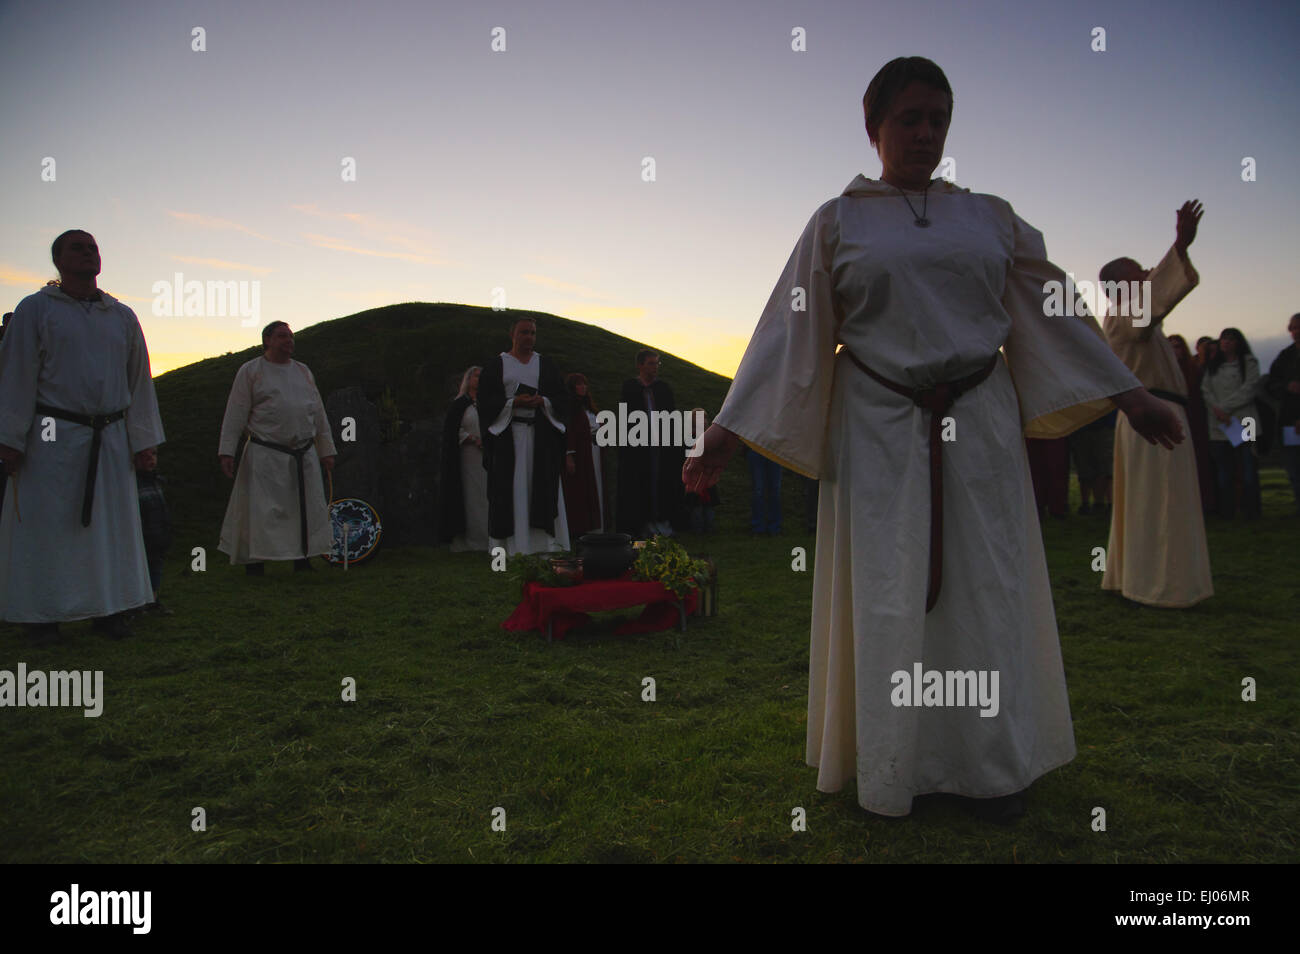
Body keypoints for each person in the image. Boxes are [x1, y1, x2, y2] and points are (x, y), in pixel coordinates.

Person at [683, 57, 1183, 820]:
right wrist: (726, 430)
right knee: (888, 596)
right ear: (873, 125)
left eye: (938, 119)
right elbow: (791, 329)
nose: (924, 132)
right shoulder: (838, 220)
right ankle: (894, 771)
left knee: (986, 591)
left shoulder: (989, 216)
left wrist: (1133, 393)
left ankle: (989, 770)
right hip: (878, 427)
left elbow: (1054, 311)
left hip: (979, 425)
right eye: (909, 117)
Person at [0, 230, 165, 640]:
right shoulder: (35, 310)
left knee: (110, 529)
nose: (89, 253)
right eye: (78, 247)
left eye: (93, 247)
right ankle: (42, 616)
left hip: (109, 437)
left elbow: (138, 381)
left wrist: (143, 440)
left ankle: (110, 610)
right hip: (51, 437)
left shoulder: (122, 316)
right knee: (48, 525)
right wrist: (10, 437)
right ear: (57, 260)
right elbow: (17, 375)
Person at [1100, 200, 1213, 607]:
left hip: (1145, 418)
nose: (1149, 273)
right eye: (1140, 272)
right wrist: (1179, 247)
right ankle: (1163, 586)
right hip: (1152, 418)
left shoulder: (1132, 320)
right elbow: (1153, 303)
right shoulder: (1125, 316)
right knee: (1163, 500)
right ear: (1122, 287)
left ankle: (1138, 578)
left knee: (1150, 500)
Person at [218, 322, 336, 572]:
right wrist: (227, 451)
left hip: (303, 453)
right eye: (282, 336)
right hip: (265, 454)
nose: (289, 341)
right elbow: (236, 412)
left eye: (291, 337)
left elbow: (317, 412)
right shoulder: (251, 371)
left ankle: (303, 558)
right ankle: (255, 563)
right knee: (261, 511)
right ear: (267, 340)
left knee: (304, 508)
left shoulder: (303, 372)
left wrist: (326, 450)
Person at [477, 317, 569, 555]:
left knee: (542, 487)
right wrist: (512, 402)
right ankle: (513, 547)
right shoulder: (497, 365)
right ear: (513, 335)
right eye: (524, 332)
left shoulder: (546, 364)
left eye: (533, 333)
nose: (529, 337)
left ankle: (544, 545)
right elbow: (485, 402)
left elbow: (562, 398)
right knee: (511, 489)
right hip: (509, 437)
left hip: (540, 438)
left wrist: (544, 401)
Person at [617, 350, 682, 538]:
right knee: (639, 483)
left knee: (661, 482)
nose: (655, 368)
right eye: (651, 363)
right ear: (640, 365)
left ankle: (661, 522)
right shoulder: (630, 387)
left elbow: (671, 416)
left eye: (657, 364)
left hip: (661, 446)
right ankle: (641, 524)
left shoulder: (663, 389)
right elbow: (626, 417)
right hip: (638, 447)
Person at [1201, 327, 1261, 519]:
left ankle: (1251, 511)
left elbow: (1250, 389)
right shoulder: (1213, 366)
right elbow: (1205, 390)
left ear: (1238, 342)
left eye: (1231, 339)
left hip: (1244, 421)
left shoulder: (1249, 363)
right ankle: (1227, 512)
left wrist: (1225, 408)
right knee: (1224, 472)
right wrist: (1217, 410)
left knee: (1248, 469)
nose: (1226, 343)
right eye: (1223, 339)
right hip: (1219, 424)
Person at [439, 366, 489, 551]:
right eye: (476, 376)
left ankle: (487, 538)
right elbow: (452, 430)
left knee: (486, 496)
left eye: (482, 377)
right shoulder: (459, 404)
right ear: (469, 379)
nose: (479, 379)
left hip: (486, 456)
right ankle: (468, 541)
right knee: (469, 496)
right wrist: (471, 438)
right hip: (467, 457)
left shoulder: (487, 402)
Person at [561, 372, 605, 539]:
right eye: (579, 384)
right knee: (581, 488)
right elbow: (569, 431)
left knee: (595, 486)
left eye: (584, 384)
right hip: (580, 452)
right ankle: (580, 528)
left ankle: (595, 525)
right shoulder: (571, 407)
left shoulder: (588, 407)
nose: (583, 387)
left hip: (593, 449)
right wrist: (569, 454)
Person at [1266, 314, 1300, 514]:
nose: (1296, 332)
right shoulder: (1284, 356)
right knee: (1294, 470)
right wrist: (1286, 386)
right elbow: (1271, 383)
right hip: (1288, 423)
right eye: (1294, 328)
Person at [135, 446, 172, 613]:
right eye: (145, 456)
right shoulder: (134, 485)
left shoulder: (156, 481)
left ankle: (153, 599)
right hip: (144, 536)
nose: (151, 459)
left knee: (155, 568)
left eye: (154, 454)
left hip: (158, 534)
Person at [747, 444, 783, 534]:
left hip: (775, 450)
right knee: (759, 490)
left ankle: (774, 527)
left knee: (774, 491)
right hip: (757, 448)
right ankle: (758, 527)